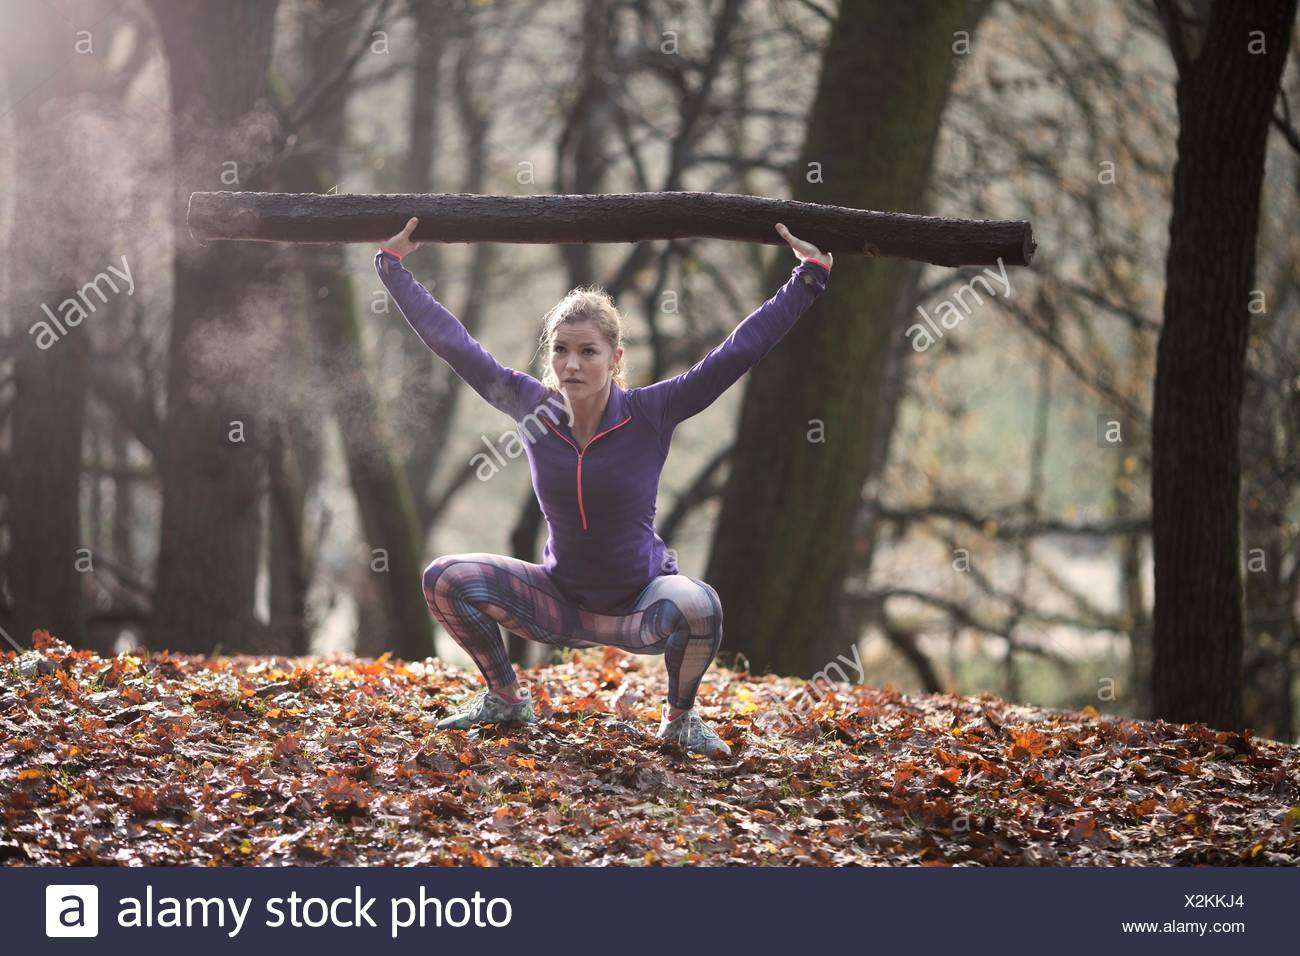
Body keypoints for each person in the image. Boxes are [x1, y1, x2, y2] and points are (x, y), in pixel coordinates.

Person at [375, 217, 832, 757]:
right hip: (559, 600)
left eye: (588, 352)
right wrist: (392, 266)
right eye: (561, 351)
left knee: (701, 606)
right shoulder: (533, 407)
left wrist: (808, 276)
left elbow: (736, 353)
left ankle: (681, 719)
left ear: (615, 360)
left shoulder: (652, 411)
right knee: (444, 579)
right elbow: (455, 345)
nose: (571, 364)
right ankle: (505, 698)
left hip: (641, 607)